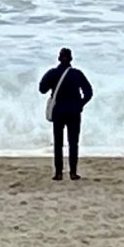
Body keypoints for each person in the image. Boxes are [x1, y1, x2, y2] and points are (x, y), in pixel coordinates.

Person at [38, 47, 94, 181]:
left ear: (59, 58)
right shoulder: (77, 74)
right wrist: (80, 104)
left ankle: (58, 173)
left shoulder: (53, 73)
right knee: (73, 142)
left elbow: (42, 89)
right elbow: (89, 92)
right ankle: (73, 173)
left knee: (58, 143)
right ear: (71, 59)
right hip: (74, 112)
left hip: (58, 112)